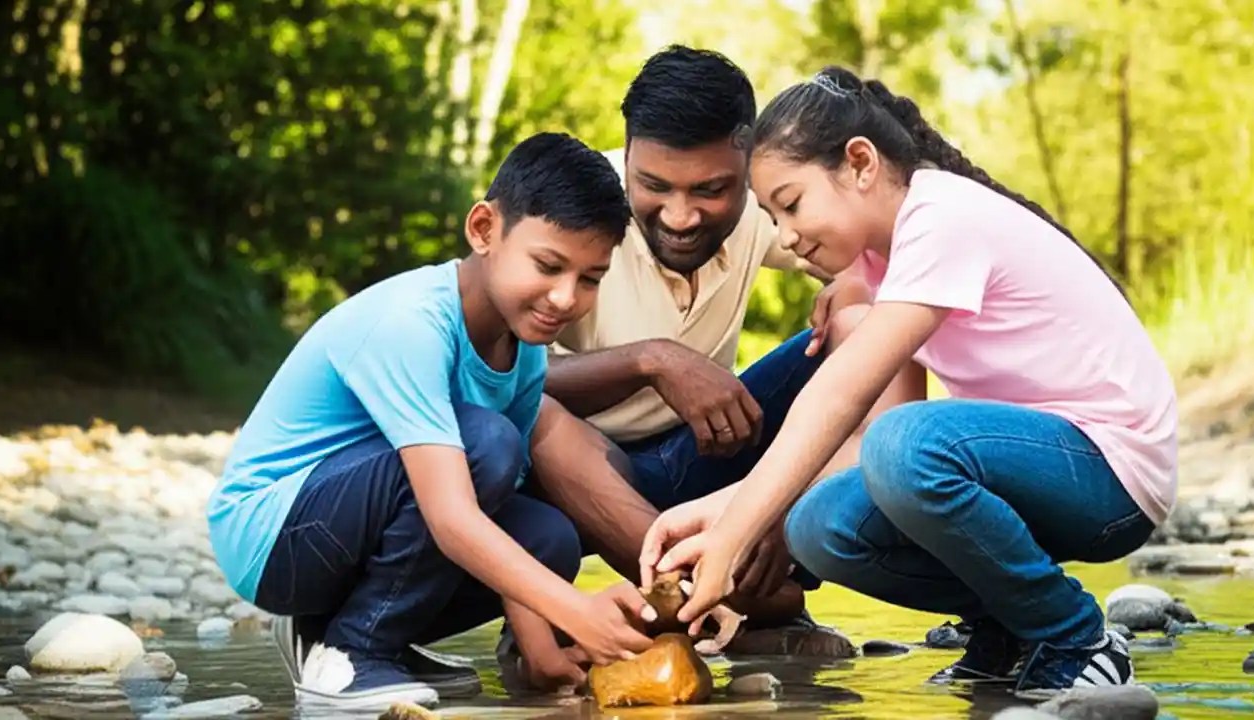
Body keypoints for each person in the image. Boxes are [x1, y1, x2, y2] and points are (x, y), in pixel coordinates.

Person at [640, 66, 1177, 698]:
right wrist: (716, 511)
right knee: (819, 524)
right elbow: (868, 446)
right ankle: (1008, 626)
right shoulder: (884, 259)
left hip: (1110, 475)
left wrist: (732, 541)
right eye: (771, 214)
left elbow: (846, 397)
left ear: (860, 163)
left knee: (906, 444)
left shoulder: (940, 217)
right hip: (1036, 473)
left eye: (791, 203)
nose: (784, 235)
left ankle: (1074, 636)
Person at [206, 132, 657, 706]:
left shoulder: (525, 352)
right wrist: (577, 611)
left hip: (346, 524)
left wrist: (542, 652)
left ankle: (340, 633)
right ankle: (352, 652)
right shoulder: (412, 322)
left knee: (549, 537)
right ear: (484, 229)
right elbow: (450, 517)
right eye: (548, 265)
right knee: (488, 445)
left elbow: (492, 507)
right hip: (272, 535)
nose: (565, 298)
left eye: (589, 279)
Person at [527, 46, 911, 656]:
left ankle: (772, 538)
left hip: (702, 456)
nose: (680, 216)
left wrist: (856, 282)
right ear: (625, 157)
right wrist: (653, 361)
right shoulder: (575, 201)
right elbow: (484, 369)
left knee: (864, 327)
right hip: (578, 474)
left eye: (710, 190)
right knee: (536, 421)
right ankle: (703, 598)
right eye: (652, 186)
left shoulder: (767, 200)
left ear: (749, 165)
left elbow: (887, 257)